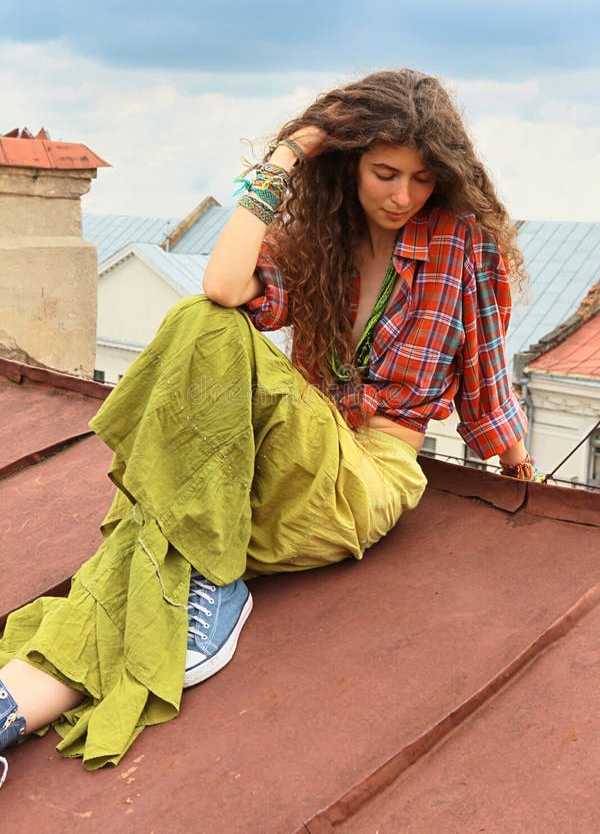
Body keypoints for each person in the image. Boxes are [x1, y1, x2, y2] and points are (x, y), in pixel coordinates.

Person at [0, 68, 538, 784]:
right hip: (270, 470)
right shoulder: (319, 238)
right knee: (138, 566)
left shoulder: (459, 242)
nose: (403, 196)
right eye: (383, 172)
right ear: (347, 165)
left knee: (153, 538)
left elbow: (486, 377)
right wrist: (286, 155)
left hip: (358, 480)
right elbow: (222, 288)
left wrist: (513, 459)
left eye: (421, 178)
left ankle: (214, 576)